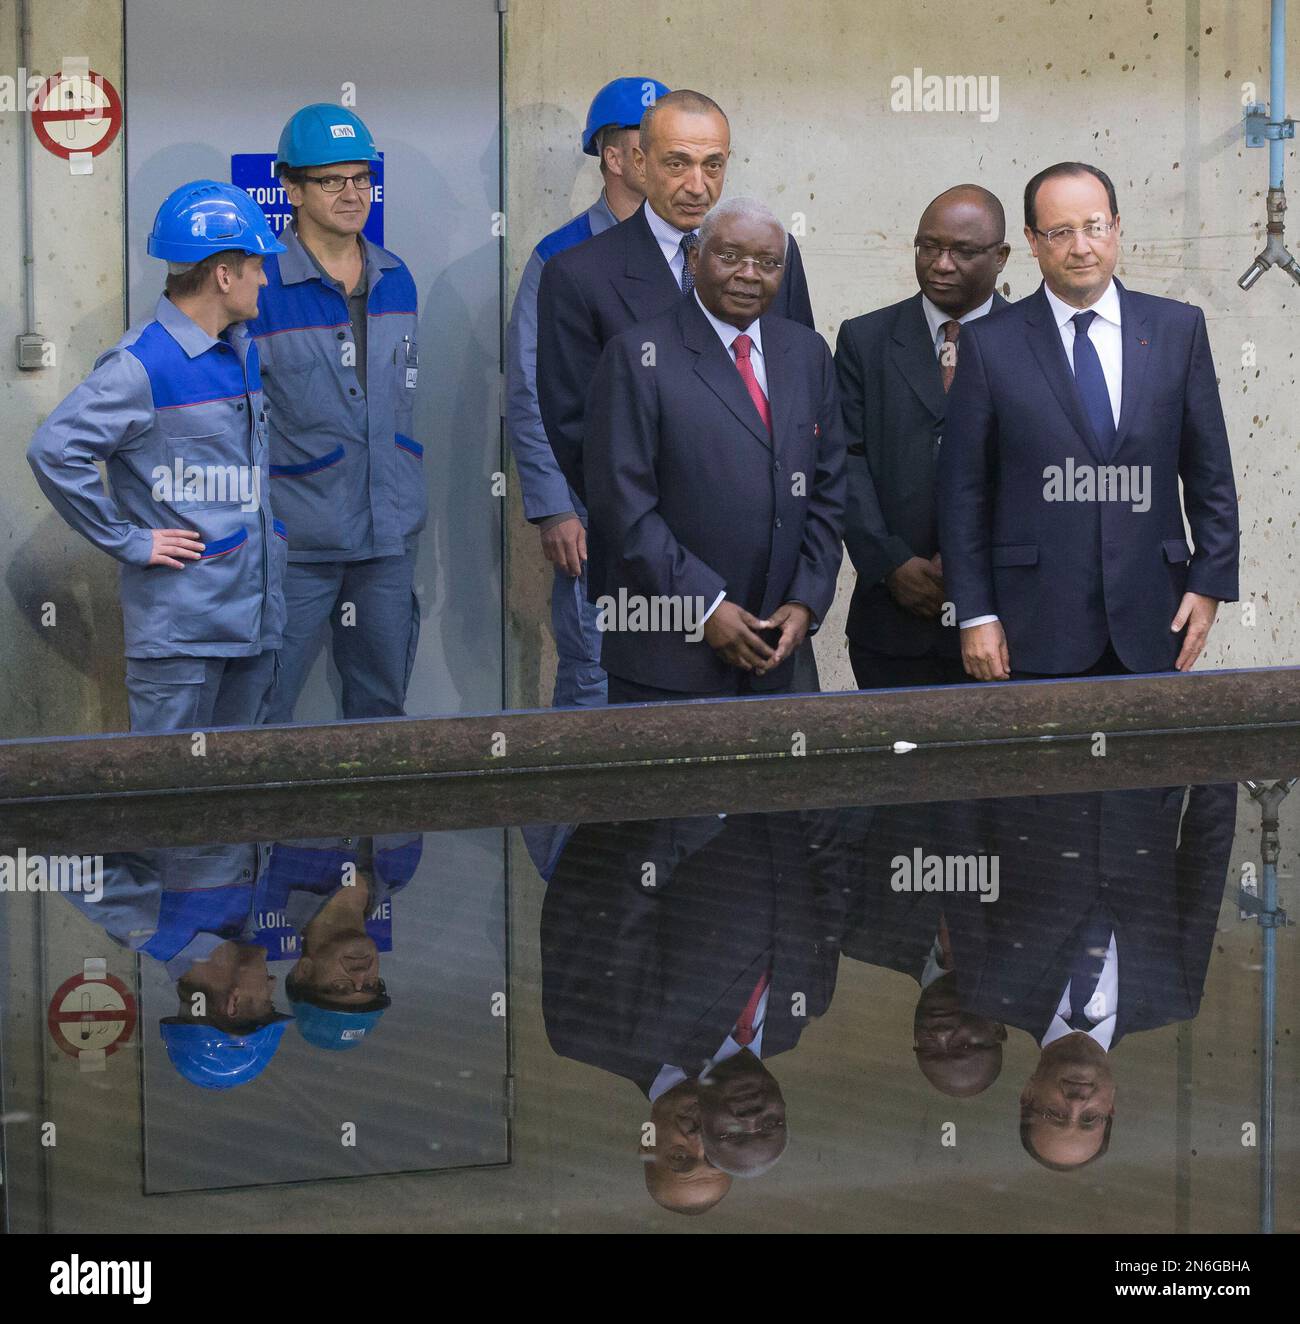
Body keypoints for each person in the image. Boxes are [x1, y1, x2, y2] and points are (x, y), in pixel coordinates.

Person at [938, 162, 1240, 680]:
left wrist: (1208, 583)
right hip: (1029, 626)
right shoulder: (990, 345)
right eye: (1060, 232)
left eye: (1095, 226)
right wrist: (976, 613)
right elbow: (963, 493)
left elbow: (1211, 474)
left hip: (1154, 617)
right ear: (1032, 241)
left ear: (1117, 228)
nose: (1081, 247)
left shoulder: (1177, 329)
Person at [27, 180, 287, 733]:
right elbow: (54, 451)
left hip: (253, 629)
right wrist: (131, 541)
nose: (264, 278)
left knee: (241, 801)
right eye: (256, 265)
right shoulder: (139, 365)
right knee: (174, 805)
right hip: (182, 642)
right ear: (223, 275)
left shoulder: (240, 349)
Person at [583, 197, 843, 701]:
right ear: (695, 258)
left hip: (779, 652)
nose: (750, 274)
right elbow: (623, 507)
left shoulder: (808, 354)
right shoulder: (638, 357)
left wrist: (807, 600)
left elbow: (829, 491)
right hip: (669, 656)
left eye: (768, 263)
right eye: (730, 256)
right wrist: (704, 607)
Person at [536, 88, 815, 509]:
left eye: (712, 165)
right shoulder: (578, 276)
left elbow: (801, 406)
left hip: (771, 543)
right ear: (640, 164)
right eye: (677, 163)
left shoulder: (775, 256)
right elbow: (579, 440)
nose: (697, 186)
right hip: (651, 552)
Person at [938, 785, 1236, 1169]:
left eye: (1055, 1114)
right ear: (1111, 1105)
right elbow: (1206, 856)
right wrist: (1219, 758)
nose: (1076, 1103)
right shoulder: (1173, 997)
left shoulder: (989, 988)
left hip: (1038, 757)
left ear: (1028, 1094)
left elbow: (961, 847)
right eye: (1089, 1118)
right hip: (1148, 768)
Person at [248, 104, 424, 722]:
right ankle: (278, 824)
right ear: (290, 187)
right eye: (331, 181)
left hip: (387, 537)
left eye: (362, 178)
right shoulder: (260, 286)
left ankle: (386, 825)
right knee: (266, 712)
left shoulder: (396, 277)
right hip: (296, 543)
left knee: (381, 708)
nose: (353, 194)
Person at [506, 76, 670, 712]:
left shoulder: (705, 251)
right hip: (593, 509)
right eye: (652, 143)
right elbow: (529, 389)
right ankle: (575, 817)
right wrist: (553, 507)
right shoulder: (561, 257)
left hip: (686, 510)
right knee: (595, 676)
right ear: (615, 156)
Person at [835, 185, 1010, 689]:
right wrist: (890, 563)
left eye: (963, 251)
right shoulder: (864, 340)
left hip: (1003, 615)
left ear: (1001, 257)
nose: (941, 263)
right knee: (897, 761)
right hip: (891, 621)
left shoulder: (1032, 342)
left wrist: (968, 566)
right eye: (928, 246)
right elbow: (844, 461)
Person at [59, 842, 294, 1090]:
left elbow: (46, 846)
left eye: (267, 1002)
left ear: (233, 1004)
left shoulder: (142, 921)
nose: (272, 984)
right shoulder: (249, 919)